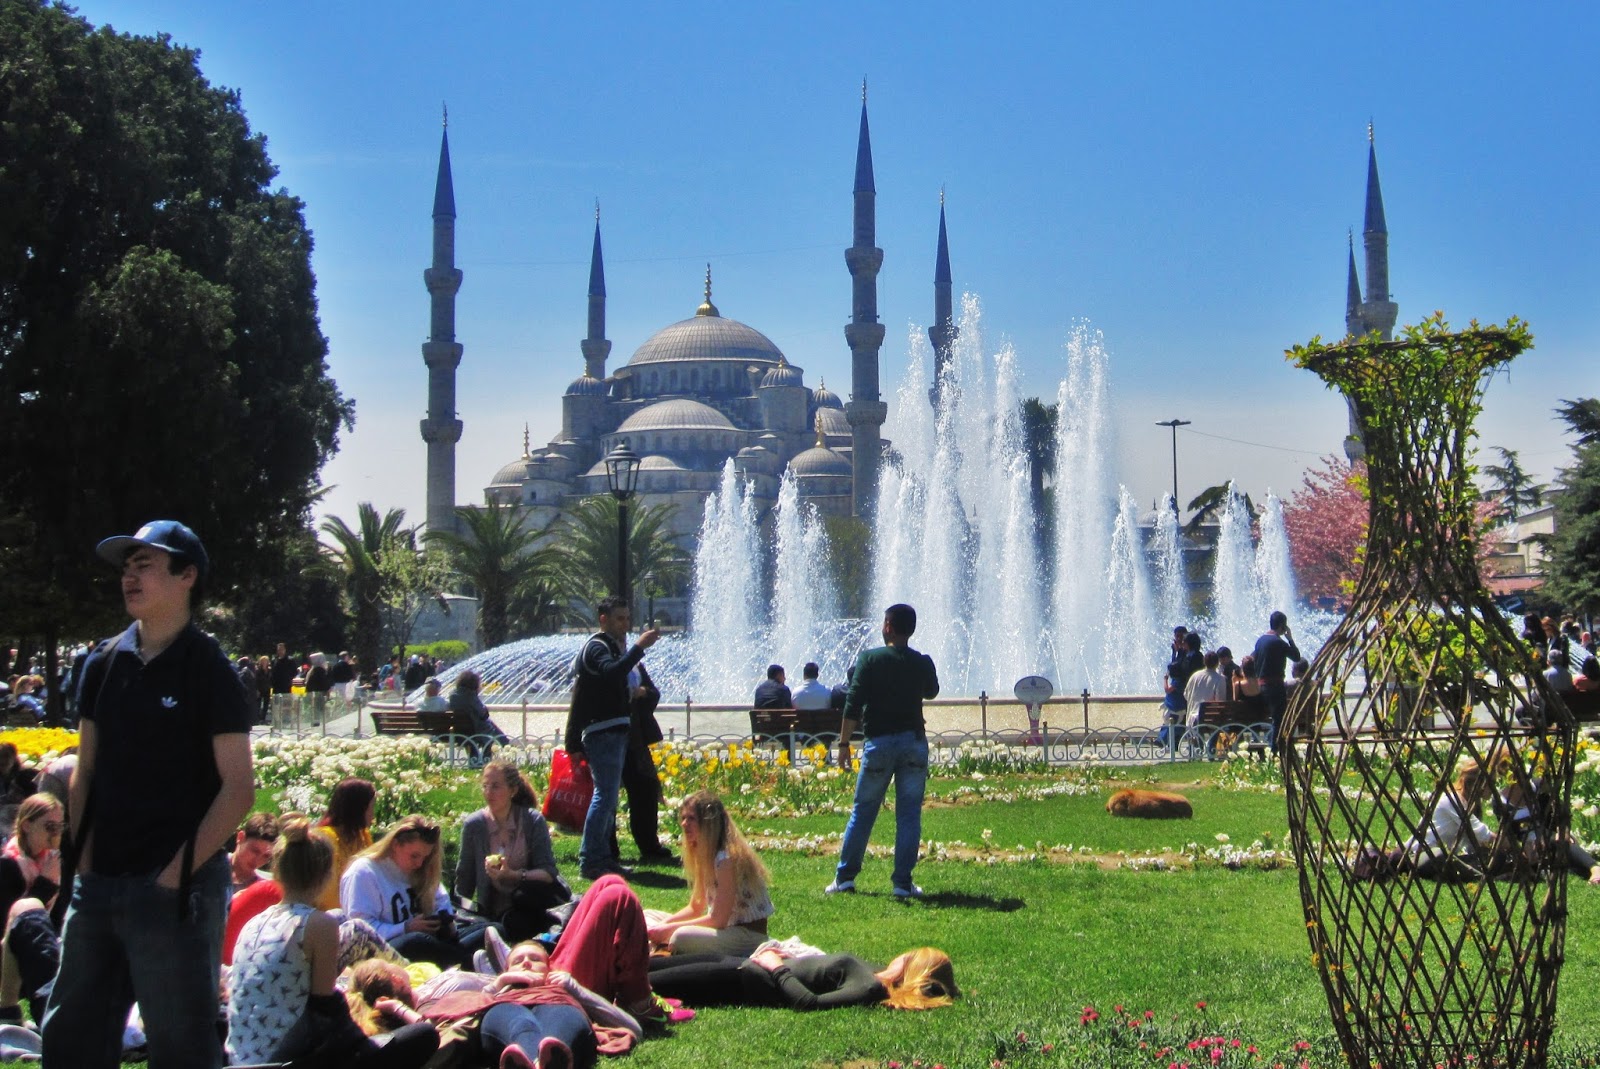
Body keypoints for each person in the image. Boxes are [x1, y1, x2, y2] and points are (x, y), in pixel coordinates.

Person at [43, 520, 254, 1069]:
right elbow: (84, 773)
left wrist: (173, 876)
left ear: (188, 577)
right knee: (69, 1041)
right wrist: (86, 867)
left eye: (146, 565)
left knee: (182, 1049)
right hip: (99, 887)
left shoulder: (209, 668)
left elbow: (239, 790)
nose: (130, 577)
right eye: (126, 567)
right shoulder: (102, 662)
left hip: (176, 894)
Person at [227, 817, 439, 1068]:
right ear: (328, 875)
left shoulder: (254, 923)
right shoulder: (317, 925)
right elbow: (325, 1010)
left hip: (237, 1059)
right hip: (284, 1060)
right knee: (424, 1036)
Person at [828, 603, 939, 898]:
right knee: (909, 815)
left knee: (863, 812)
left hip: (879, 743)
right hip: (913, 742)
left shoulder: (869, 660)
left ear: (887, 626)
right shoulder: (921, 662)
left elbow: (852, 704)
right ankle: (902, 883)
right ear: (911, 629)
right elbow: (932, 691)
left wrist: (843, 744)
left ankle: (845, 878)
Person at [565, 596, 660, 880]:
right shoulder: (597, 647)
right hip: (602, 731)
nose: (626, 624)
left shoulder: (612, 648)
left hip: (615, 730)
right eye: (620, 618)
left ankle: (603, 858)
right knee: (604, 796)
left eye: (628, 618)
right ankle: (591, 859)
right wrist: (639, 648)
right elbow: (609, 674)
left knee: (608, 798)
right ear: (603, 619)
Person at [341, 814, 493, 969]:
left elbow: (441, 901)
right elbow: (361, 931)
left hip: (429, 942)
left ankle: (465, 960)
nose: (420, 863)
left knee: (490, 930)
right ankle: (470, 962)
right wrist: (406, 927)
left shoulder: (421, 870)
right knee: (416, 941)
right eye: (414, 856)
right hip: (384, 949)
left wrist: (444, 919)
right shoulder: (364, 872)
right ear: (395, 845)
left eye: (425, 857)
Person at [645, 792, 772, 957]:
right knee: (647, 915)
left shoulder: (726, 858)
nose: (684, 824)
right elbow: (695, 906)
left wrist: (667, 929)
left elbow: (718, 920)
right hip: (724, 930)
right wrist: (659, 928)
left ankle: (663, 947)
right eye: (683, 818)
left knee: (680, 937)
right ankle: (660, 944)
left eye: (691, 818)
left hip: (746, 936)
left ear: (708, 823)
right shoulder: (703, 852)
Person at [649, 945, 957, 1012]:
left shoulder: (869, 986)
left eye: (910, 954)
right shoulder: (877, 972)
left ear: (911, 966)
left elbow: (808, 1002)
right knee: (646, 964)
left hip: (738, 978)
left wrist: (776, 967)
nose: (902, 953)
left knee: (641, 981)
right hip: (744, 962)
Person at [455, 761, 568, 942]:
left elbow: (548, 873)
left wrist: (514, 875)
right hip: (494, 912)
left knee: (521, 905)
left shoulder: (532, 821)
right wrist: (462, 916)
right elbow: (464, 883)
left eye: (495, 786)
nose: (488, 793)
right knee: (507, 926)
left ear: (513, 791)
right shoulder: (474, 825)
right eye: (485, 786)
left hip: (532, 903)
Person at [617, 661, 673, 864]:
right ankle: (607, 849)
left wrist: (643, 693)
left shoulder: (635, 666)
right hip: (610, 740)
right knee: (606, 797)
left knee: (647, 787)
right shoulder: (602, 660)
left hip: (636, 740)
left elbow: (654, 694)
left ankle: (649, 844)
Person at [1405, 759, 1499, 880]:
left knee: (1493, 857)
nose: (1493, 788)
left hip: (1447, 856)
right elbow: (1483, 834)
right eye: (1491, 783)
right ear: (1476, 782)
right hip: (1422, 855)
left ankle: (1459, 873)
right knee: (1439, 856)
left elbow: (1472, 842)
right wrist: (1506, 843)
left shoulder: (1471, 804)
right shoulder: (1453, 800)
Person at [313, 777, 377, 911]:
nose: (373, 814)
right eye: (371, 807)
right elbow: (327, 893)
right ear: (358, 808)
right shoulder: (325, 837)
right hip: (331, 916)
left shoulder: (363, 836)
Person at [1251, 611, 1301, 751]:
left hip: (1260, 686)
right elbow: (1296, 657)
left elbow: (1251, 659)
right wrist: (1290, 638)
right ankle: (1275, 749)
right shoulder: (1279, 643)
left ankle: (1269, 747)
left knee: (1271, 718)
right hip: (1275, 686)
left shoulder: (1260, 641)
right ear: (1282, 626)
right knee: (1278, 719)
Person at [448, 669, 507, 767]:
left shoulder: (453, 695)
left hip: (460, 730)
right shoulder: (470, 695)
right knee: (490, 728)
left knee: (489, 725)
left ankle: (475, 761)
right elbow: (483, 714)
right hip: (475, 730)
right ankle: (493, 754)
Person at [229, 811, 281, 896]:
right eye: (255, 851)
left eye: (266, 856)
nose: (257, 860)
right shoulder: (212, 863)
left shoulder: (264, 889)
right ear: (240, 837)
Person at [1183, 650, 1230, 726]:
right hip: (1209, 723)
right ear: (1217, 663)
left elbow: (1186, 695)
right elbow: (1220, 702)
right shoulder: (1220, 679)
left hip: (1191, 722)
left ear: (1204, 662)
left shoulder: (1195, 676)